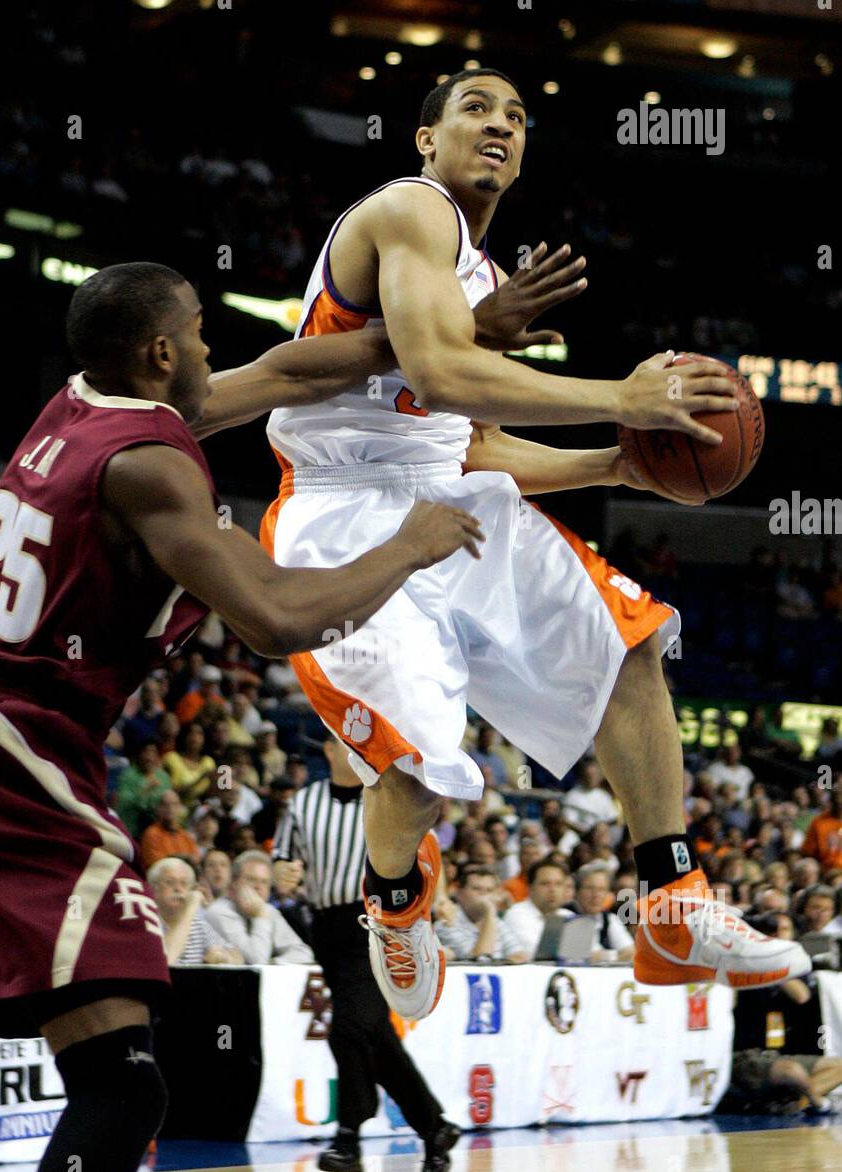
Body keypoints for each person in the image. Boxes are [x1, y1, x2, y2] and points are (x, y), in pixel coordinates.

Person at [0, 260, 483, 1172]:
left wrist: (459, 331)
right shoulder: (150, 467)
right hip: (14, 763)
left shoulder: (77, 405)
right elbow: (274, 618)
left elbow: (286, 370)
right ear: (162, 353)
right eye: (201, 335)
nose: (217, 353)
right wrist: (409, 543)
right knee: (122, 1084)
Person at [260, 66, 806, 1020]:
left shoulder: (481, 277)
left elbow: (475, 442)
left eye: (517, 115)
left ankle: (672, 903)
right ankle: (395, 905)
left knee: (628, 643)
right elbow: (439, 366)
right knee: (422, 772)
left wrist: (614, 464)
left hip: (453, 491)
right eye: (476, 107)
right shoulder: (409, 208)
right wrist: (621, 400)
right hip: (341, 506)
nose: (500, 124)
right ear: (425, 138)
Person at [273, 735, 459, 1172]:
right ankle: (434, 1128)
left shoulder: (385, 799)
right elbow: (282, 860)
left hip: (375, 924)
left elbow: (425, 845)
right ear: (330, 752)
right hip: (327, 929)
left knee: (350, 1028)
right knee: (372, 1033)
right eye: (342, 746)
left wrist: (441, 897)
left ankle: (348, 1136)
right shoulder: (303, 802)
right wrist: (283, 873)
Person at [204, 851, 313, 964]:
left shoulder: (269, 911)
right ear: (234, 884)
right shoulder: (219, 912)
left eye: (264, 882)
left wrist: (274, 962)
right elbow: (256, 961)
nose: (258, 887)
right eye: (251, 880)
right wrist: (260, 917)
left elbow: (304, 952)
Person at [147, 857, 240, 966]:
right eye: (170, 882)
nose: (178, 888)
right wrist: (190, 908)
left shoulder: (196, 923)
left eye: (184, 883)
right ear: (153, 889)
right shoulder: (147, 920)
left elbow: (237, 955)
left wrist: (225, 957)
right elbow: (164, 960)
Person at [435, 864, 531, 962]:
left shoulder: (496, 922)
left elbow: (520, 955)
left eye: (489, 890)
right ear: (459, 893)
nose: (484, 894)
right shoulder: (446, 922)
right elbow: (478, 959)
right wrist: (489, 911)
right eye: (476, 889)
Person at [565, 865, 635, 963]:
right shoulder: (567, 915)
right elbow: (589, 957)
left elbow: (630, 951)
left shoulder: (609, 919)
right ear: (577, 891)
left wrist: (604, 956)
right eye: (590, 888)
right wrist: (617, 955)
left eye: (601, 889)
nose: (596, 895)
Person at [115, 739, 172, 837]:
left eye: (153, 752)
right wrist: (145, 791)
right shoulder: (128, 776)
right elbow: (125, 803)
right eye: (145, 752)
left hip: (157, 830)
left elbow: (168, 802)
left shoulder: (164, 777)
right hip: (132, 829)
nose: (149, 757)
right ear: (138, 755)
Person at [139, 789, 199, 871]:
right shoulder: (151, 833)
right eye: (165, 805)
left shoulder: (186, 836)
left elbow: (196, 861)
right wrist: (183, 857)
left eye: (174, 804)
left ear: (180, 808)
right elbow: (157, 866)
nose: (170, 808)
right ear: (158, 809)